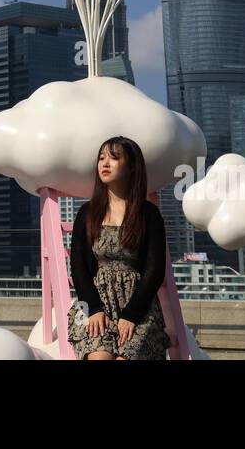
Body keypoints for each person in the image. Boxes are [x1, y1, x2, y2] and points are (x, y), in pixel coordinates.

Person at [67, 136, 170, 360]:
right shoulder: (87, 213)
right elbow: (78, 267)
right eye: (101, 158)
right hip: (92, 302)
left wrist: (131, 314)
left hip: (139, 307)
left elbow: (155, 271)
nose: (105, 163)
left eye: (114, 158)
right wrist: (93, 309)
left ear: (132, 166)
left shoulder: (148, 215)